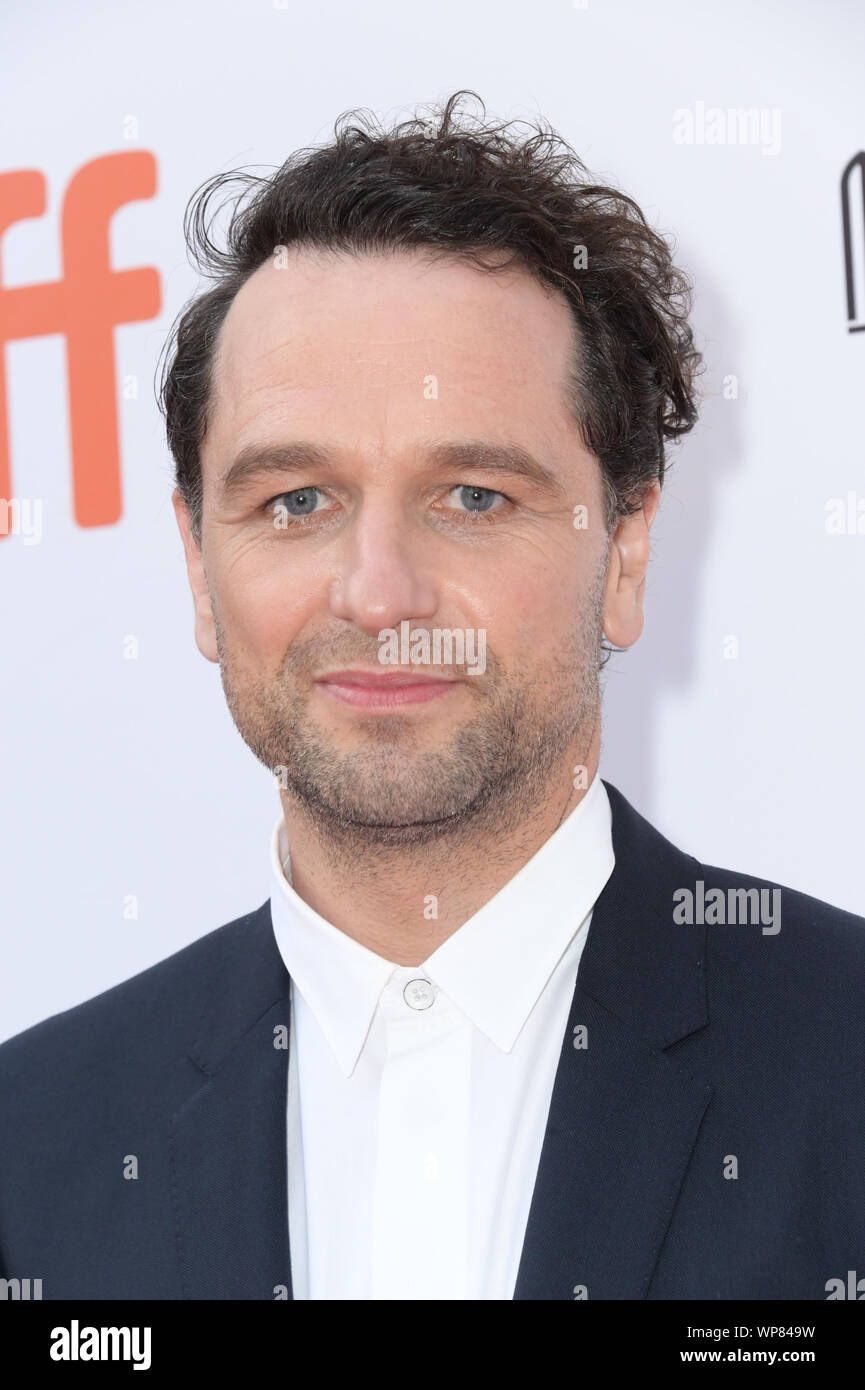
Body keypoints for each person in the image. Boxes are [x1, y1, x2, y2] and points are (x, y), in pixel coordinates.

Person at [1, 92, 862, 1302]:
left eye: (473, 496)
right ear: (200, 567)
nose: (378, 591)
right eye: (295, 500)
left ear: (623, 553)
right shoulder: (30, 1151)